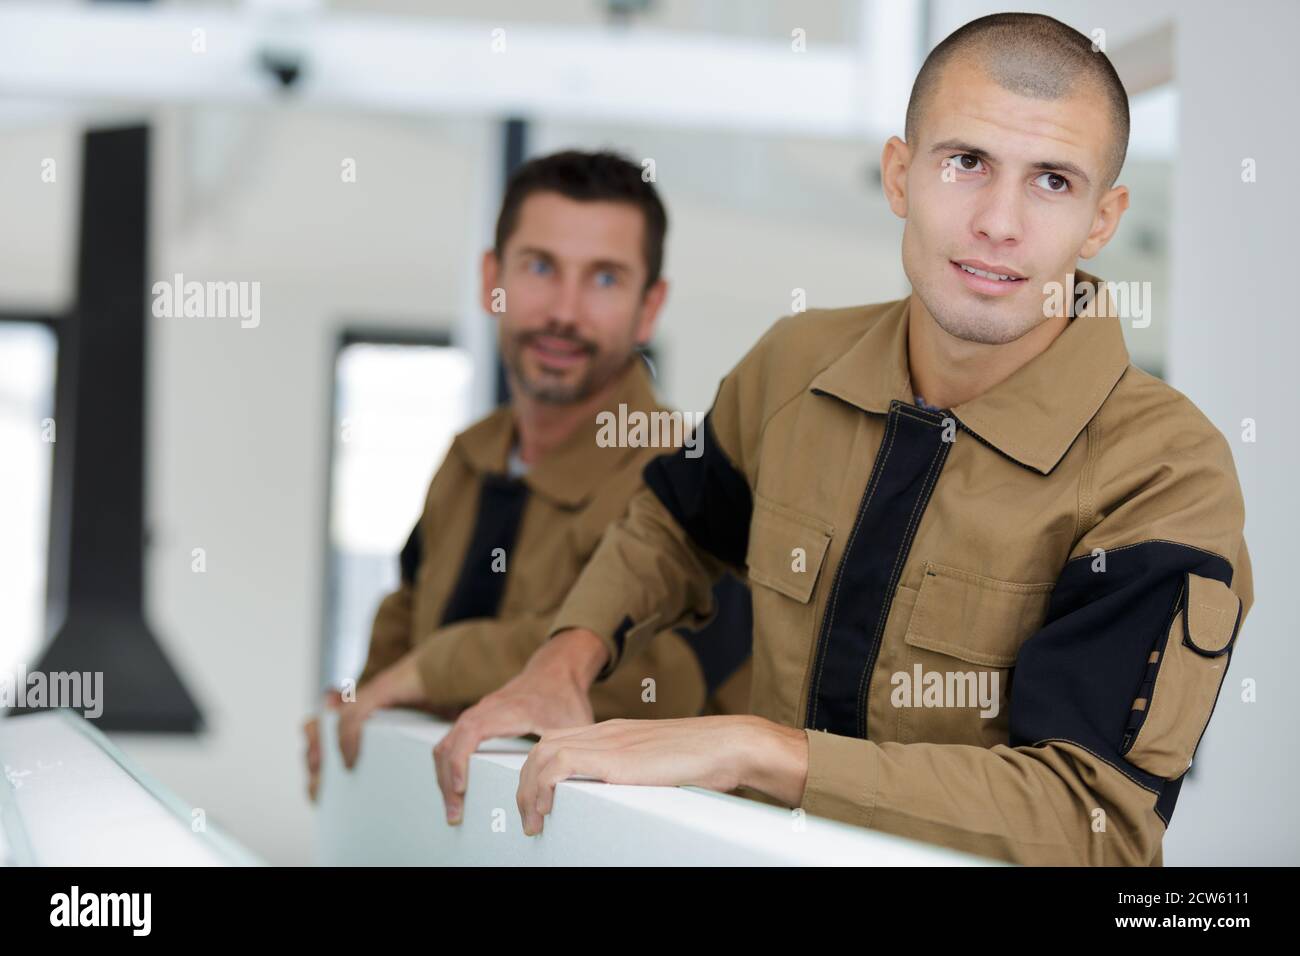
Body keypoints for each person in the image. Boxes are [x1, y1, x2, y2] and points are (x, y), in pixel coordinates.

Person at [432, 14, 1253, 866]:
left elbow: (1093, 819)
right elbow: (671, 526)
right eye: (966, 162)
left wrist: (752, 748)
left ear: (1101, 220)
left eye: (1052, 181)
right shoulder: (794, 366)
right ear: (900, 175)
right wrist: (567, 657)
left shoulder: (1163, 471)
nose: (999, 223)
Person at [304, 150, 752, 804]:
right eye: (540, 268)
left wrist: (434, 669)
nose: (563, 312)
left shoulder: (693, 475)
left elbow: (646, 685)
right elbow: (393, 653)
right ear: (493, 279)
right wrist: (355, 715)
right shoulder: (466, 460)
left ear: (649, 306)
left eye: (604, 279)